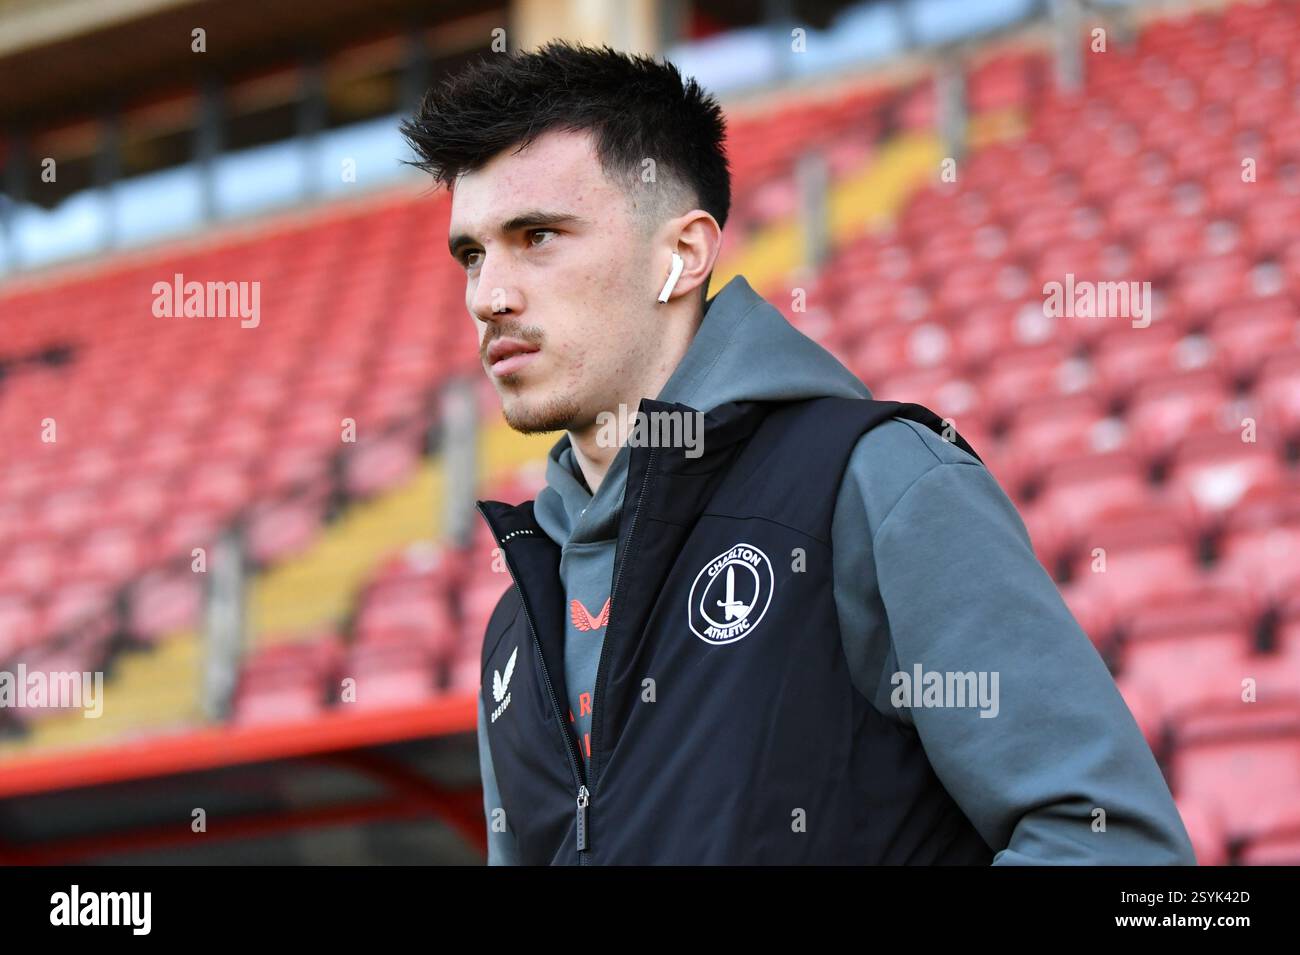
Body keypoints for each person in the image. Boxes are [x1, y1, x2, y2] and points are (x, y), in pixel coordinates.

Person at [399, 40, 1196, 865]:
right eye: (472, 253)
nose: (489, 295)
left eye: (537, 235)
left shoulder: (877, 485)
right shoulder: (518, 621)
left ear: (680, 255)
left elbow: (1110, 842)